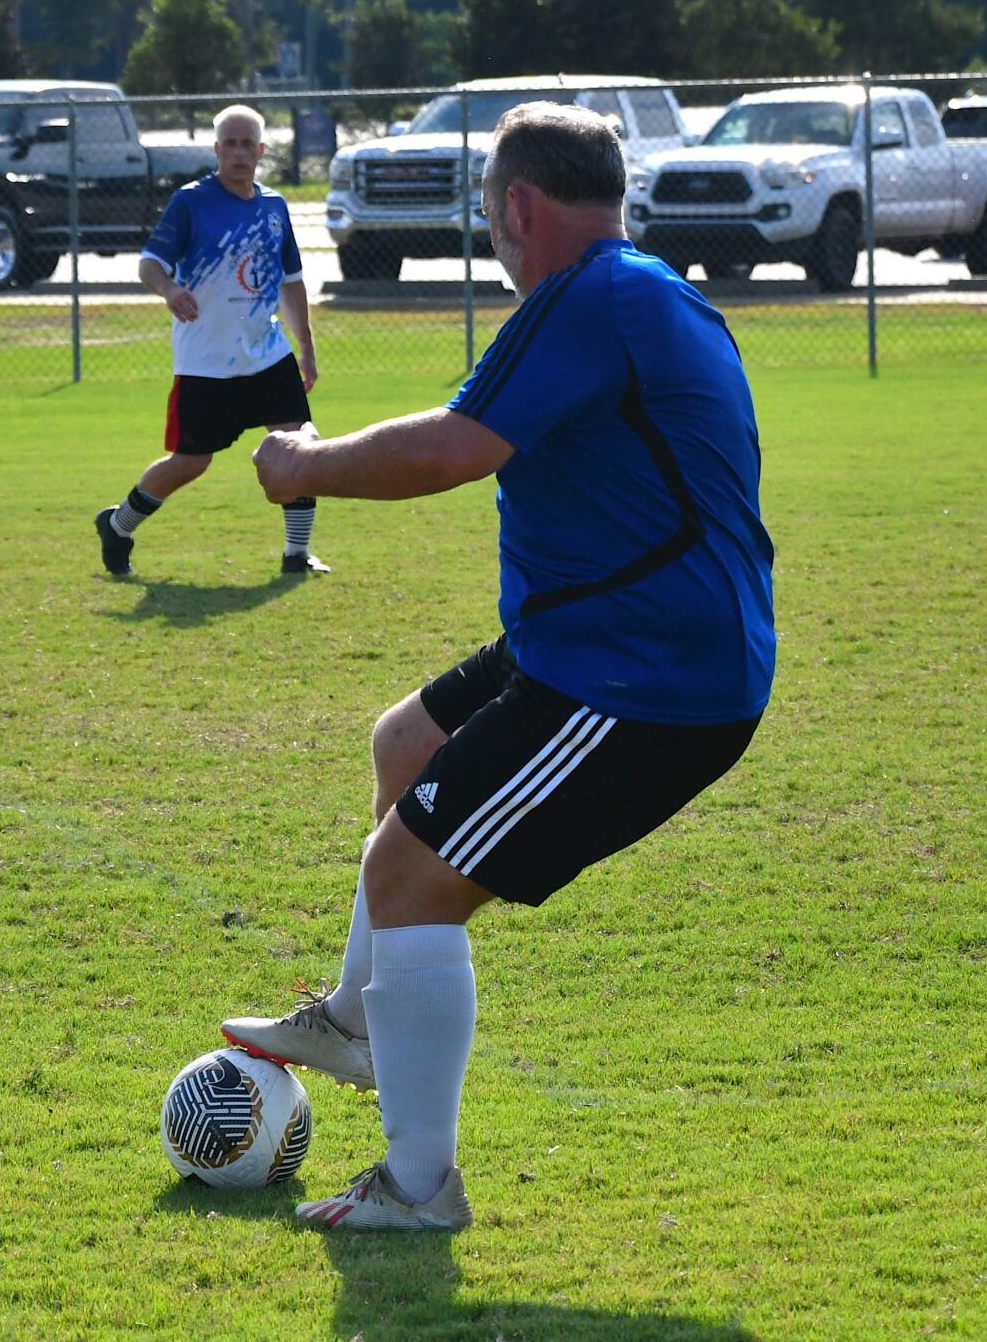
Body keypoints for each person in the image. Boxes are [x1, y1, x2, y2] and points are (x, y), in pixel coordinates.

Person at [220, 103, 775, 1231]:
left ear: (517, 208)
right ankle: (359, 1021)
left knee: (411, 880)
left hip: (643, 679)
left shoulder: (590, 300)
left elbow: (450, 450)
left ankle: (418, 1188)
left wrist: (304, 467)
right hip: (599, 641)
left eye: (487, 214)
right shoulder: (641, 289)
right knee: (404, 743)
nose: (491, 235)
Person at [94, 105, 326, 579]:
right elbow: (149, 264)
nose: (240, 153)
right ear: (217, 150)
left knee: (302, 447)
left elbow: (293, 281)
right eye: (231, 144)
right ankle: (118, 525)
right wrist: (171, 290)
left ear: (262, 151)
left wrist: (306, 346)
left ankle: (296, 554)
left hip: (268, 353)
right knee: (190, 463)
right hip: (207, 363)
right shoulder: (190, 202)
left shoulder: (274, 206)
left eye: (248, 144)